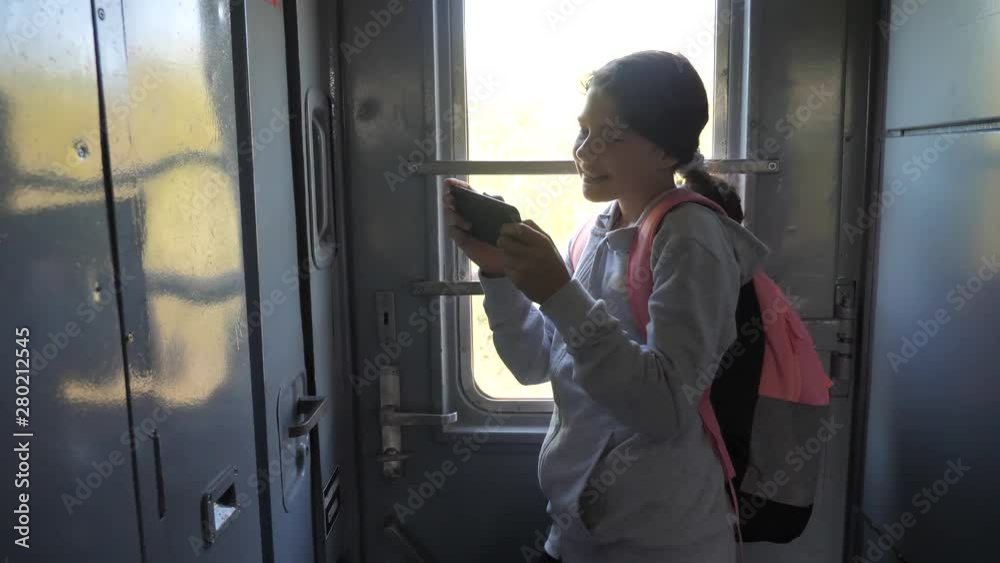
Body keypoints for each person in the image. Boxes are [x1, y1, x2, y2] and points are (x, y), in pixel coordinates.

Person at [443, 51, 768, 563]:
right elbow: (532, 364)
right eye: (582, 131)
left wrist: (560, 295)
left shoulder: (691, 239)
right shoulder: (592, 236)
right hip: (574, 533)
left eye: (607, 135)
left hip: (665, 542)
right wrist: (498, 275)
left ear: (664, 150)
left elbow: (662, 409)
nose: (584, 151)